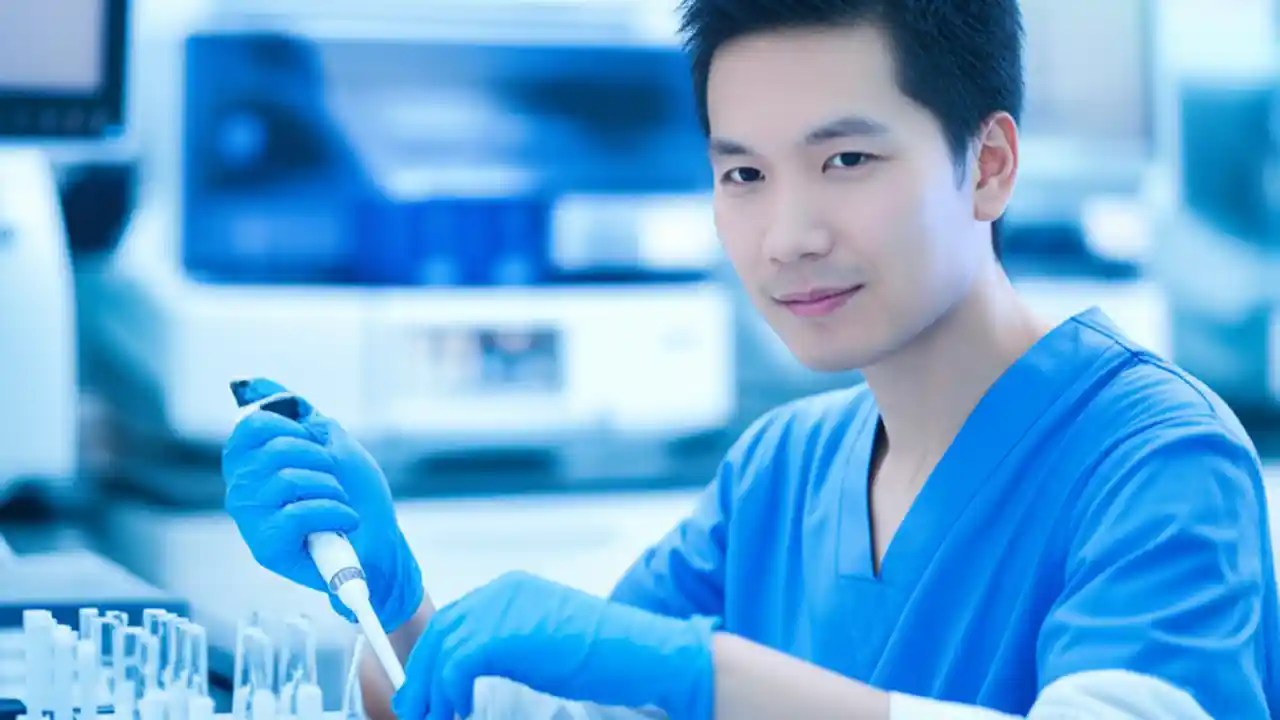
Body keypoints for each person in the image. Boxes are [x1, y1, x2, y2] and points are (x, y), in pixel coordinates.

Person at [220, 0, 1280, 718]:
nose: (786, 237)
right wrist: (393, 603)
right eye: (742, 175)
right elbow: (528, 702)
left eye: (845, 160)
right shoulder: (780, 471)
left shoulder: (1160, 466)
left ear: (987, 165)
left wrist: (704, 674)